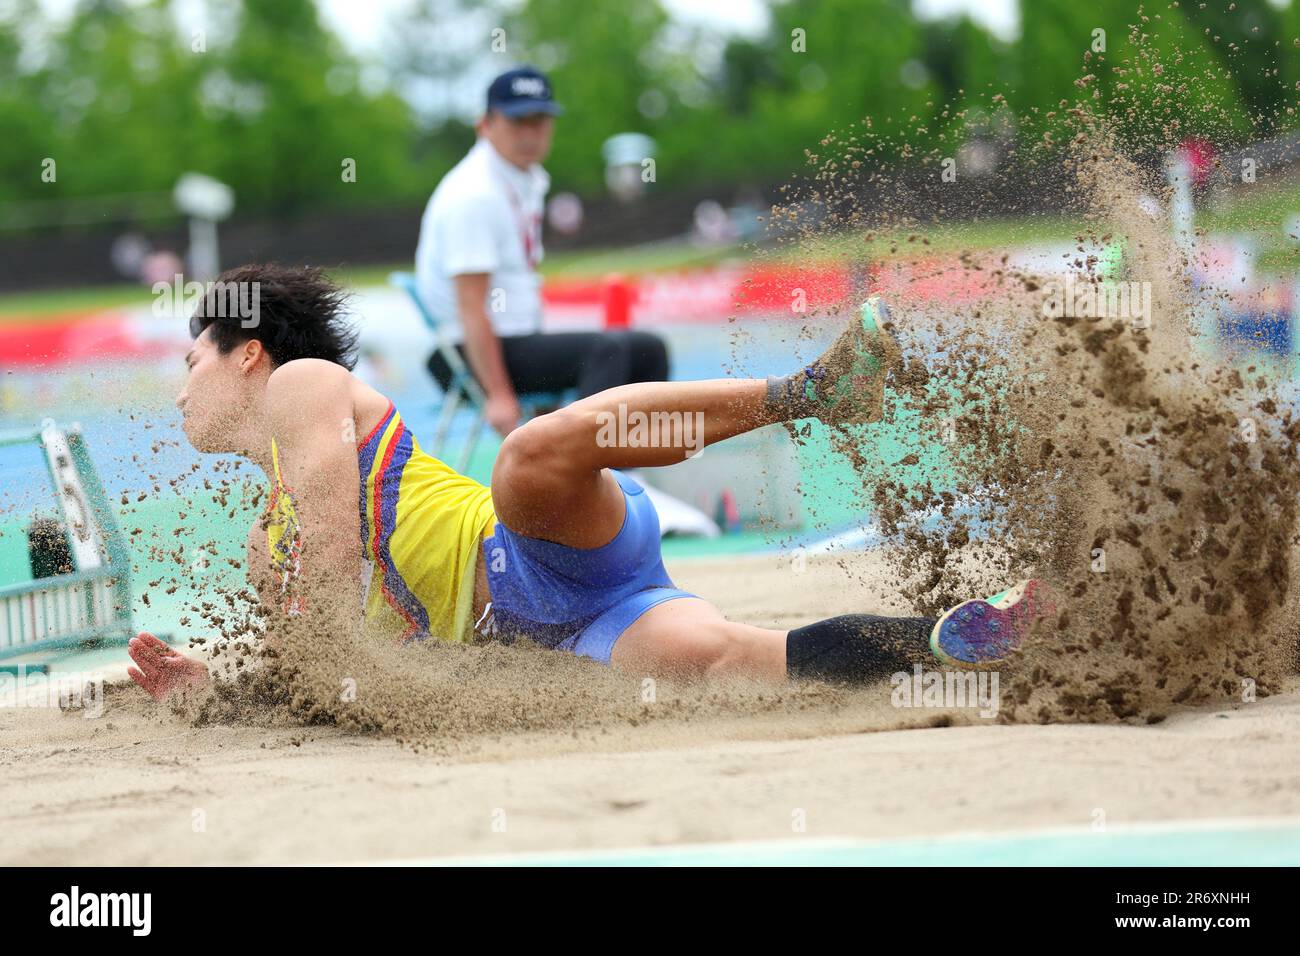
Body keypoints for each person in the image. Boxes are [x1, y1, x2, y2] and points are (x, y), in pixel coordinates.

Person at [126, 263, 1044, 701]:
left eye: (190, 360)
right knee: (727, 659)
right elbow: (309, 656)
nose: (179, 390)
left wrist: (295, 675)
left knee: (527, 457)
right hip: (555, 625)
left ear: (248, 356)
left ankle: (815, 390)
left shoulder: (302, 385)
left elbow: (328, 554)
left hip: (538, 538)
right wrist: (220, 685)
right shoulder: (260, 542)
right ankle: (954, 638)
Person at [413, 66, 670, 437]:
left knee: (649, 349)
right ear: (485, 124)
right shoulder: (474, 194)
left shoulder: (522, 179)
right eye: (519, 121)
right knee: (608, 349)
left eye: (540, 121)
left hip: (514, 343)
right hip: (469, 354)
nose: (531, 133)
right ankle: (577, 475)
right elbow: (471, 307)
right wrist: (499, 395)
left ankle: (627, 475)